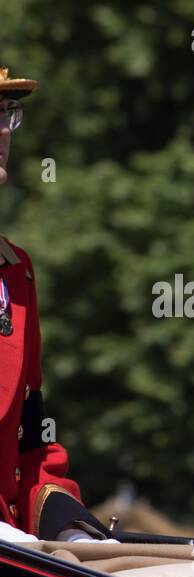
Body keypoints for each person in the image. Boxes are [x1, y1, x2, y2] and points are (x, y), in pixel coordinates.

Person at [0, 66, 110, 545]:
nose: (4, 129)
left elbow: (31, 446)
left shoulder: (13, 272)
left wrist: (71, 532)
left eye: (7, 113)